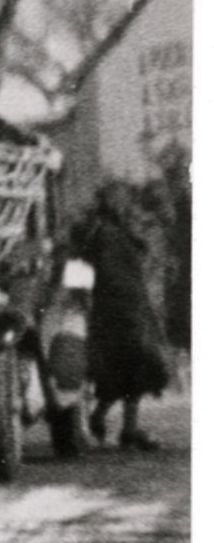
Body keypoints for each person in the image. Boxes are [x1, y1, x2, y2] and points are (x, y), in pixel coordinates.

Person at [73, 180, 173, 451]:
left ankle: (111, 421)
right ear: (108, 201)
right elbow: (80, 268)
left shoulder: (121, 230)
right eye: (118, 199)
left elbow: (142, 260)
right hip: (113, 309)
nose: (124, 204)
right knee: (127, 364)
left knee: (133, 366)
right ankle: (121, 426)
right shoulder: (97, 231)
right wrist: (82, 301)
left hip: (132, 306)